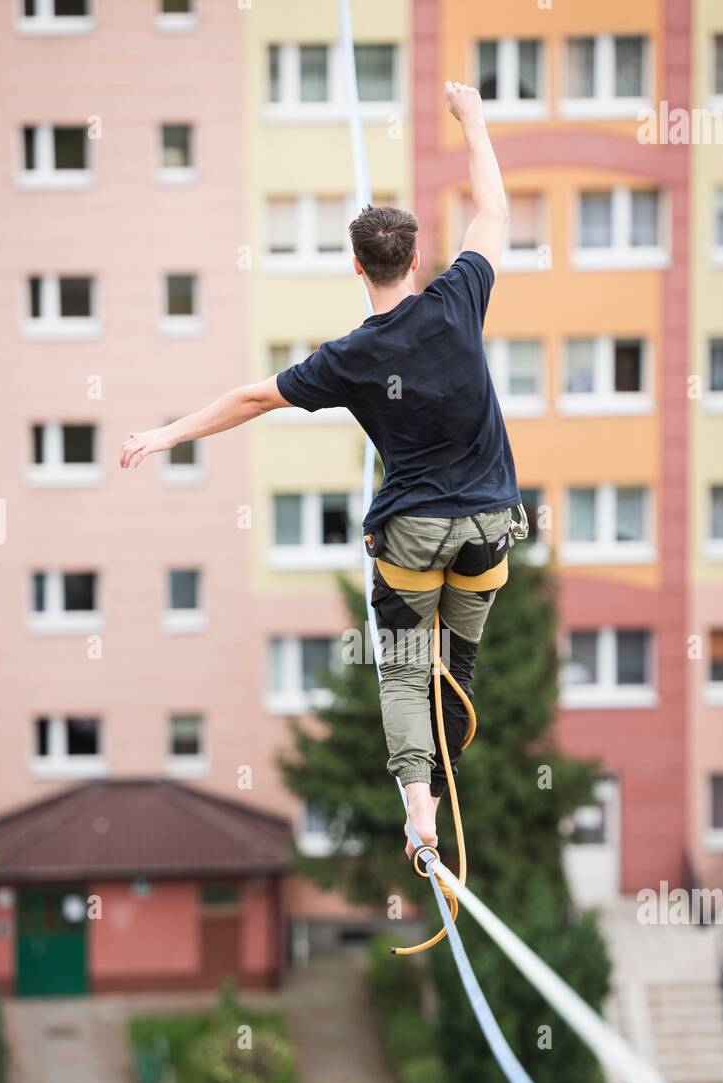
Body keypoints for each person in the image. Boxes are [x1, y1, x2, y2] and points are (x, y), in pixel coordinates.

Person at [120, 82, 521, 859]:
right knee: (456, 663)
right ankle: (442, 781)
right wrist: (472, 119)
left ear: (354, 267)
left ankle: (420, 816)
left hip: (409, 534)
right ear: (414, 260)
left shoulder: (349, 359)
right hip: (488, 524)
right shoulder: (458, 297)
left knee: (405, 673)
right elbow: (494, 212)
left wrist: (168, 435)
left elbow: (250, 397)